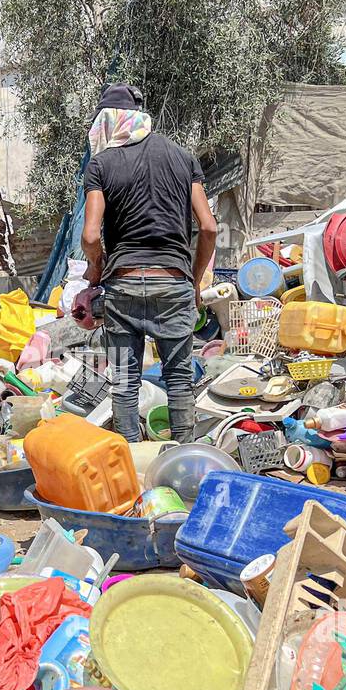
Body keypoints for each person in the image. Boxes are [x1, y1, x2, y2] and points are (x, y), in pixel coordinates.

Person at [81, 83, 217, 444]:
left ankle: (129, 463)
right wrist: (194, 281)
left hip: (123, 282)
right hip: (173, 281)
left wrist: (96, 272)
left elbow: (91, 236)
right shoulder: (183, 157)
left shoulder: (101, 164)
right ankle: (184, 459)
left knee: (125, 382)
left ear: (106, 121)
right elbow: (208, 226)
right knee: (179, 379)